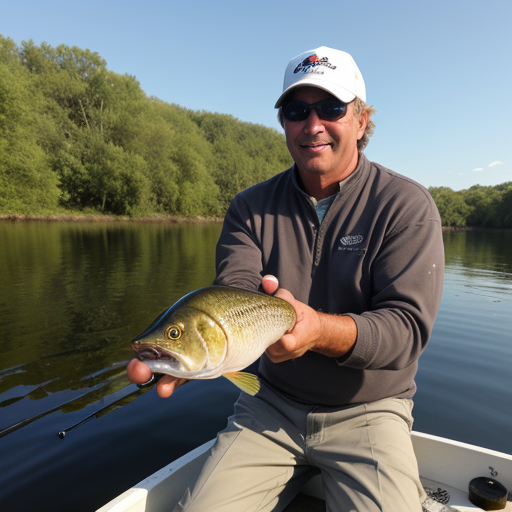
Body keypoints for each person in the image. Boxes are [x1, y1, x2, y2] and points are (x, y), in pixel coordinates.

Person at [127, 46, 444, 512]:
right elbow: (234, 294)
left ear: (361, 120)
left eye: (332, 108)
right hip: (269, 405)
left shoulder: (407, 206)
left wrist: (316, 330)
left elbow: (405, 332)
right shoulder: (249, 206)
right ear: (284, 124)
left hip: (370, 413)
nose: (312, 124)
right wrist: (197, 356)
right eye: (297, 110)